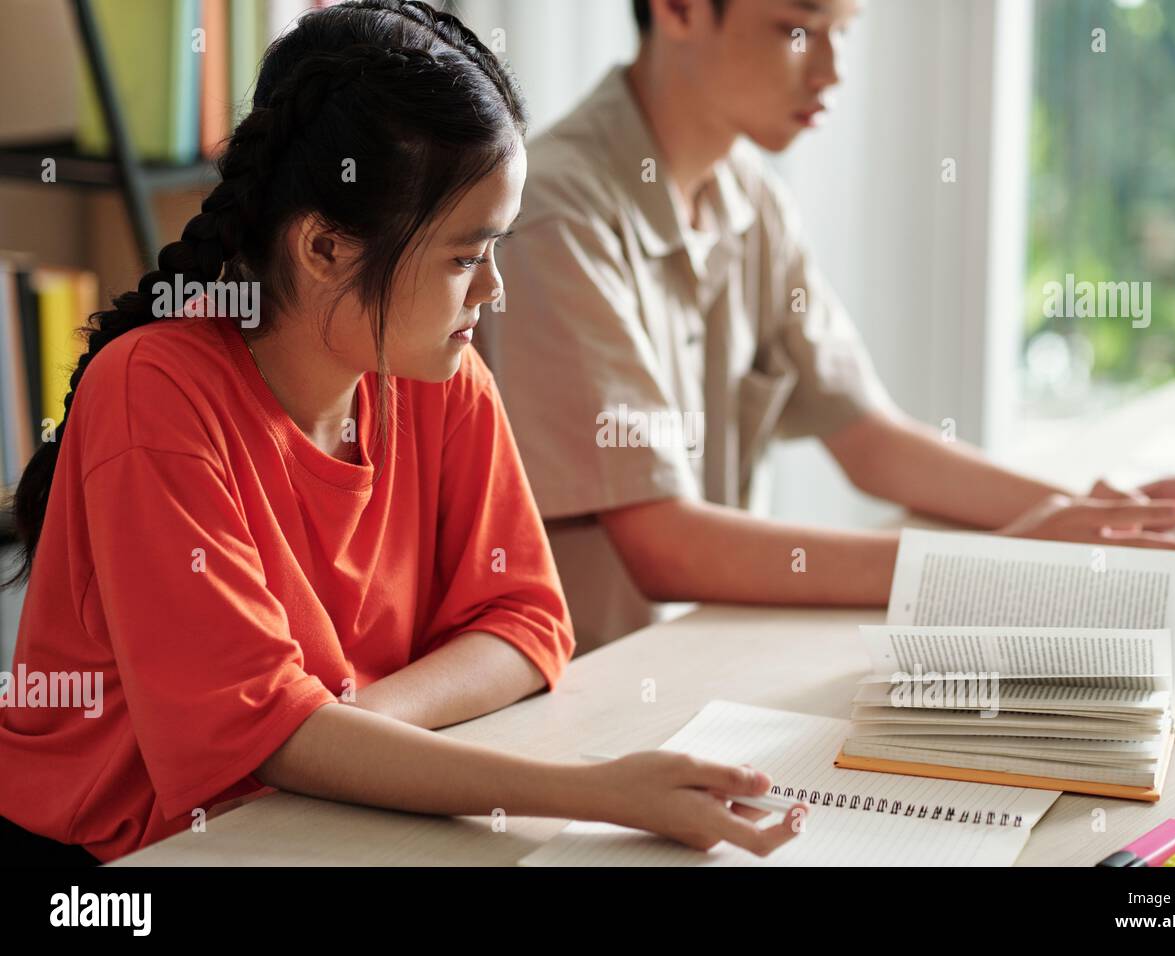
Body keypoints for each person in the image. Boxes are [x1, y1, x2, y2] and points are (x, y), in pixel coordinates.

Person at [0, 0, 802, 865]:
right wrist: (595, 793)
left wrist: (345, 728)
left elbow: (528, 623)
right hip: (119, 861)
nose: (492, 290)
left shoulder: (437, 373)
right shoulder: (153, 394)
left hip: (324, 816)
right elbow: (260, 741)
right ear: (324, 248)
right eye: (465, 256)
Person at [481, 0, 1175, 650]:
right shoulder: (555, 213)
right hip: (589, 702)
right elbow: (664, 547)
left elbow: (872, 440)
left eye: (844, 32)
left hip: (701, 660)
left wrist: (1105, 516)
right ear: (682, 9)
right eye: (799, 28)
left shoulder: (747, 194)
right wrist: (1002, 564)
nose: (831, 71)